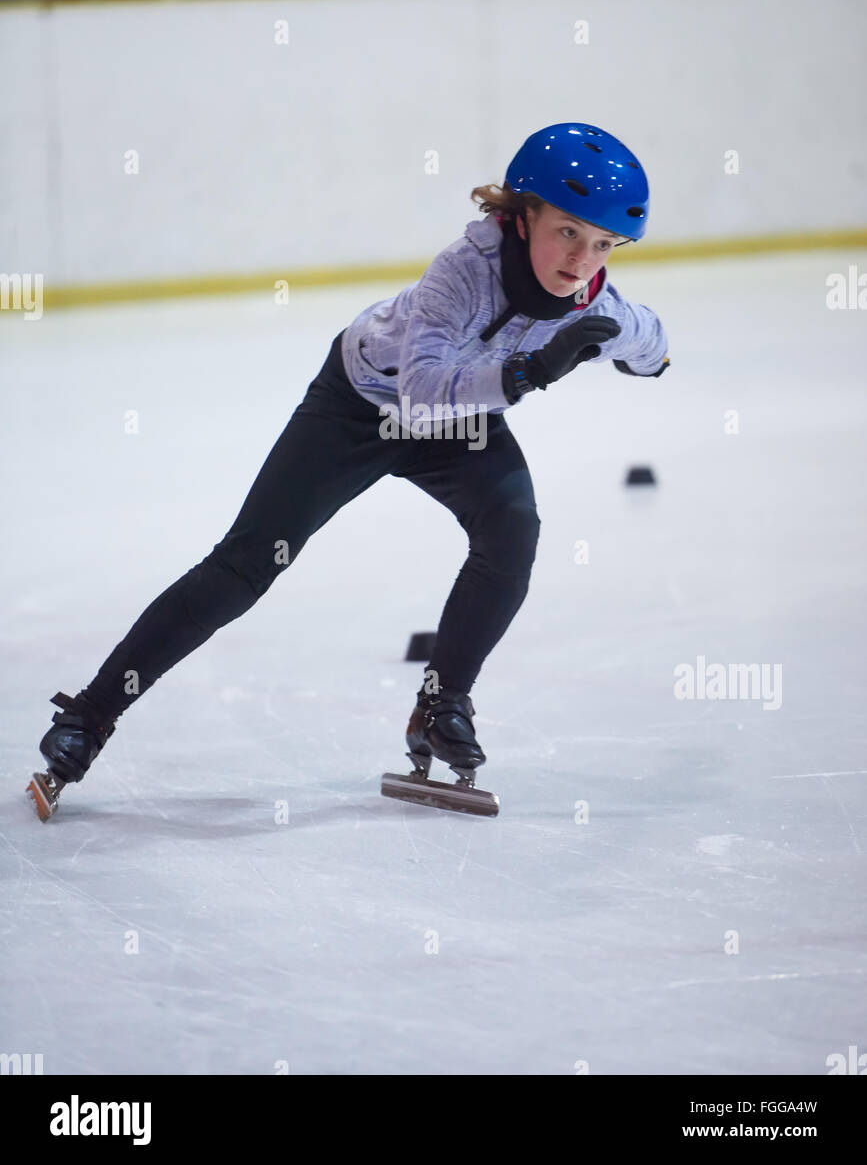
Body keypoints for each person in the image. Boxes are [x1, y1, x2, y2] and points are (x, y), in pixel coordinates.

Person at [31, 123, 669, 814]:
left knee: (512, 526)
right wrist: (531, 369)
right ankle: (88, 716)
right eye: (569, 232)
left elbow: (650, 342)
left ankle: (441, 703)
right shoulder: (462, 270)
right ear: (520, 218)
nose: (582, 259)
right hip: (361, 405)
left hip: (464, 422)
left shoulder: (593, 299)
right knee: (248, 563)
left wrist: (639, 349)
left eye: (604, 244)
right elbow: (422, 394)